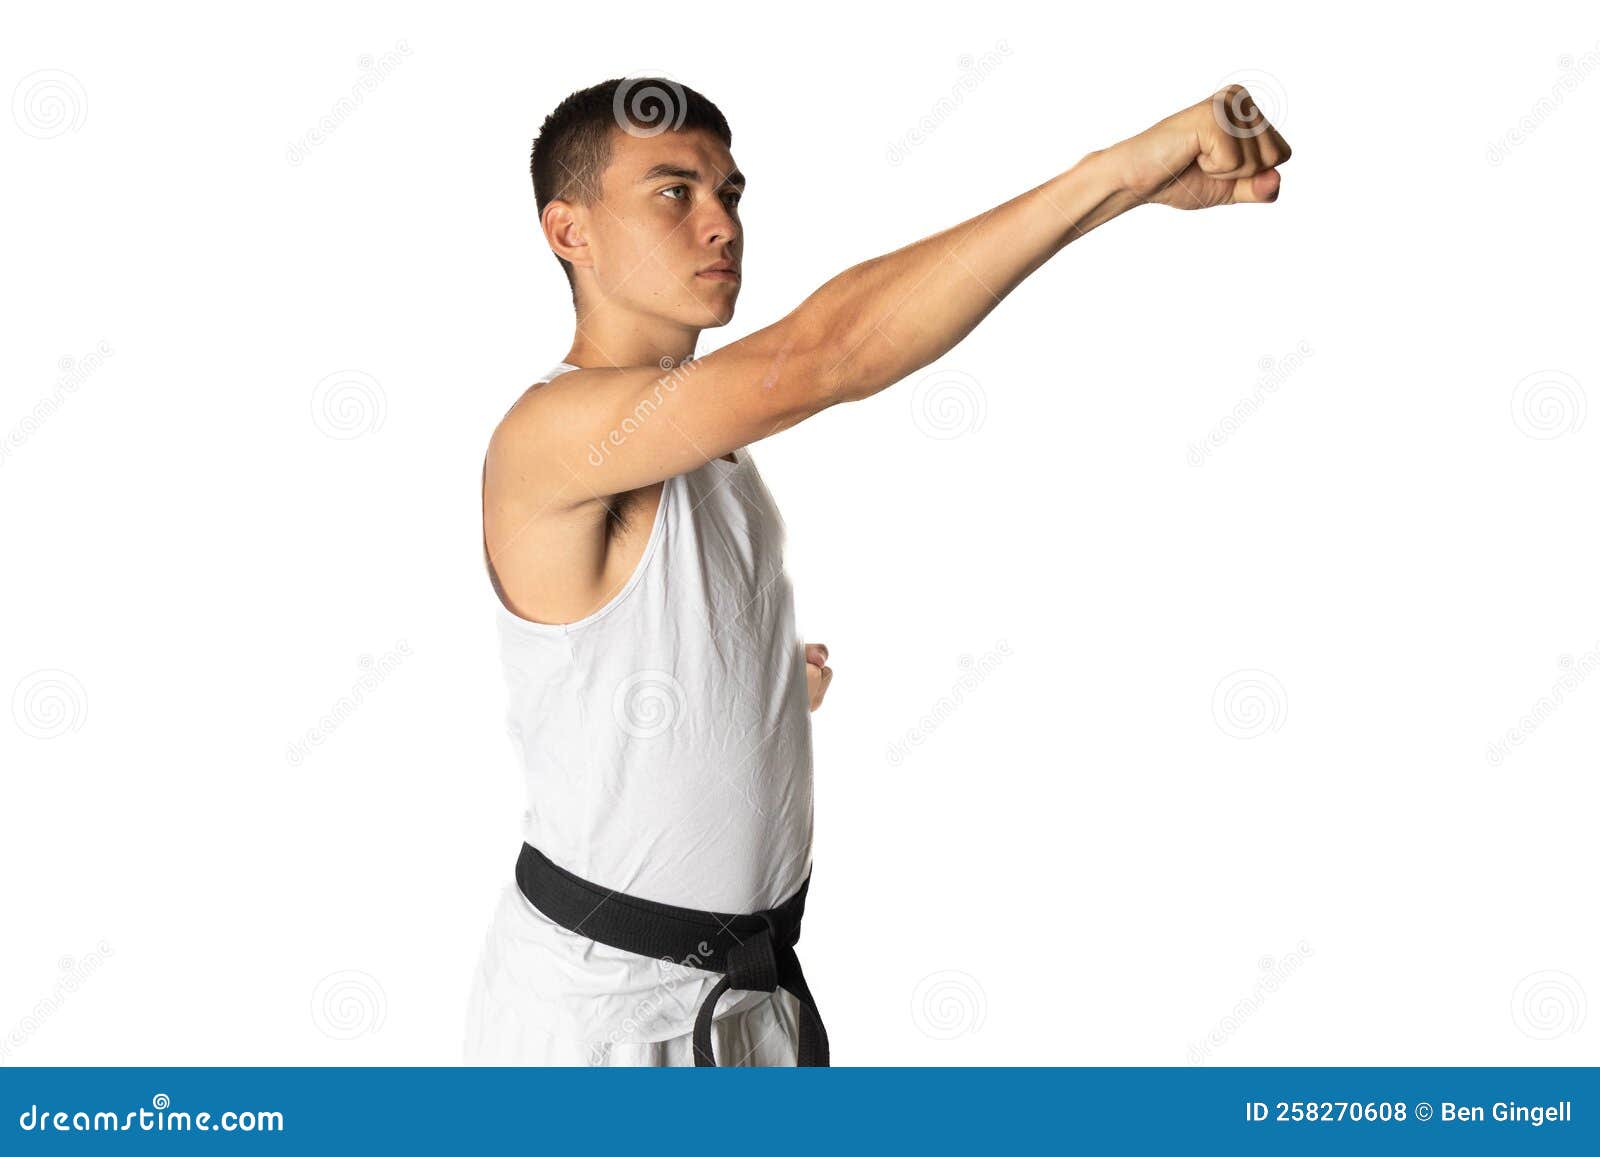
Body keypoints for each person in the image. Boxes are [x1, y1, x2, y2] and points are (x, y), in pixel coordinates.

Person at [464, 75, 1291, 1066]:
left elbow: (630, 651)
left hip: (743, 999)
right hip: (597, 1023)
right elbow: (825, 353)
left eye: (729, 194)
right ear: (570, 231)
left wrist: (754, 689)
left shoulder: (708, 455)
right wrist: (1117, 165)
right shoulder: (551, 432)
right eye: (673, 192)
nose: (719, 223)